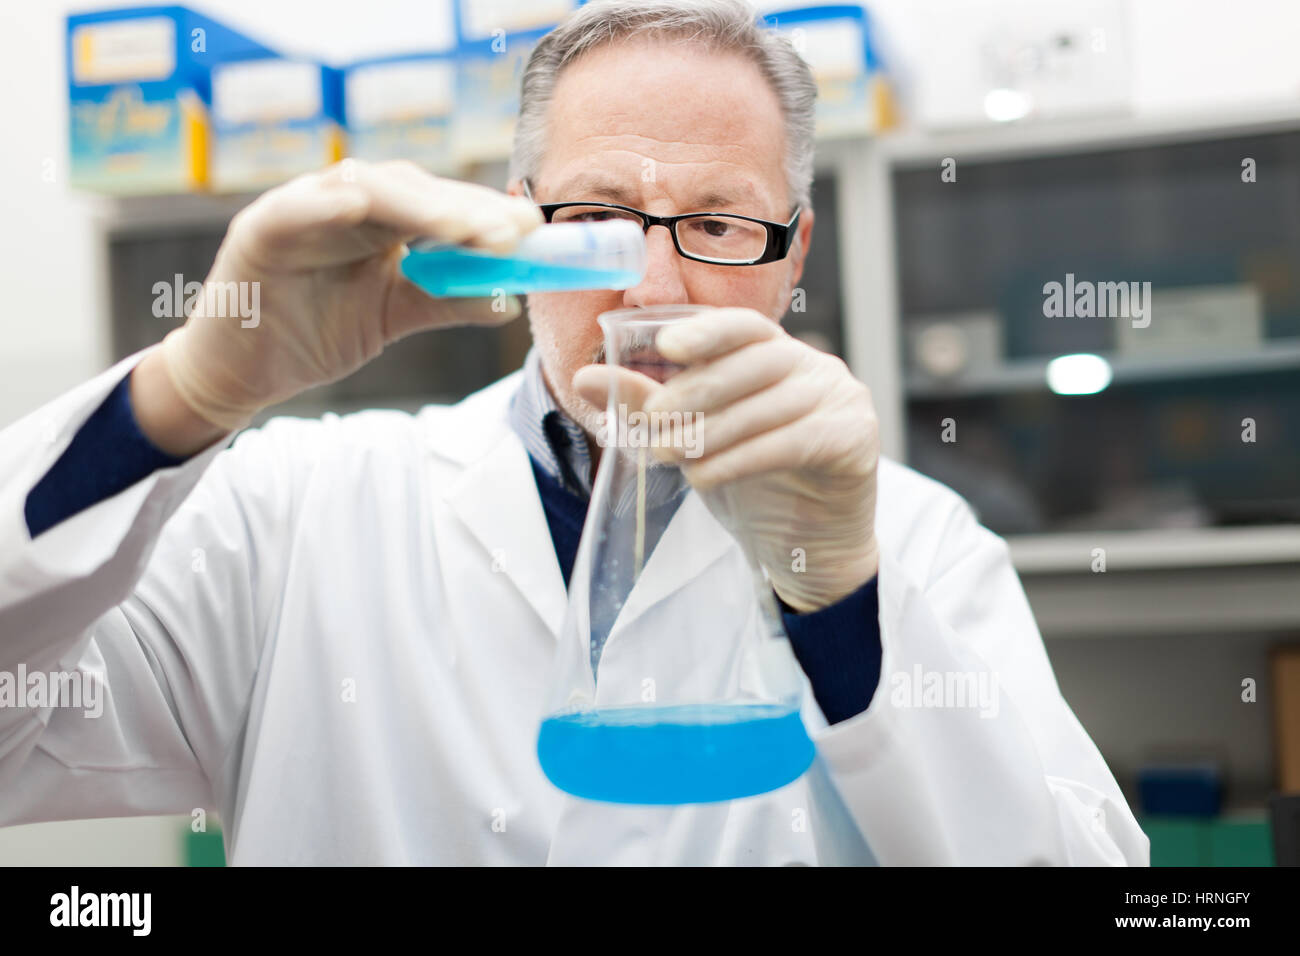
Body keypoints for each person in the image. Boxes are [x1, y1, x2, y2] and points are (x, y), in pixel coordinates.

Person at [0, 0, 1146, 865]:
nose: (652, 285)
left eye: (714, 223)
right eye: (594, 218)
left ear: (793, 255)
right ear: (512, 222)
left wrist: (842, 596)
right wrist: (184, 394)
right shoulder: (295, 513)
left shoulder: (916, 540)